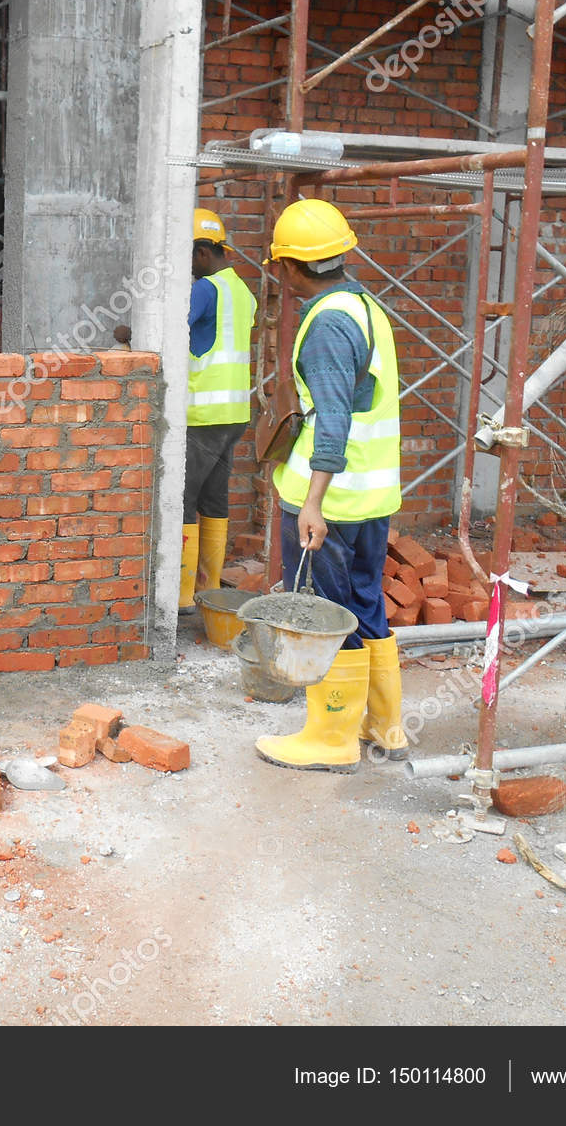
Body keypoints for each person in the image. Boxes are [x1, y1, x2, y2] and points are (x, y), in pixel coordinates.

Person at [254, 198, 405, 773]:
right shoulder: (365, 307)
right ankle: (384, 727)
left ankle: (331, 738)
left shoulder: (326, 324)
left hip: (333, 503)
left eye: (280, 264)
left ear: (292, 266)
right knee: (365, 602)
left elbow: (335, 419)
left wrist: (312, 503)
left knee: (327, 614)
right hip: (370, 497)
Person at [180, 207, 257, 613]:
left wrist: (128, 333)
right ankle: (207, 590)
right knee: (214, 501)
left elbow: (172, 329)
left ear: (202, 253)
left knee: (181, 499)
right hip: (234, 414)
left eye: (187, 257)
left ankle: (180, 597)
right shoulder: (242, 291)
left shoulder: (205, 289)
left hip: (203, 415)